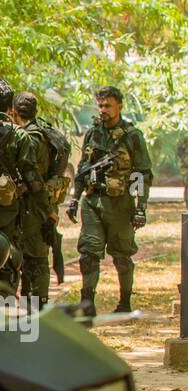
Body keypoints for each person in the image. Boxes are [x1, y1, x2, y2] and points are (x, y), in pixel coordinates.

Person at [67, 85, 153, 313]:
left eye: (108, 105)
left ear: (119, 107)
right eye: (101, 105)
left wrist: (140, 207)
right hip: (93, 201)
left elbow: (142, 172)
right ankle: (87, 305)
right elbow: (83, 169)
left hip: (121, 204)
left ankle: (124, 303)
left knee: (122, 257)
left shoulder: (133, 136)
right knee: (88, 255)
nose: (103, 109)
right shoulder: (93, 133)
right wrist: (75, 199)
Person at [0, 78, 38, 293]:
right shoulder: (20, 135)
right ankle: (5, 302)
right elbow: (32, 178)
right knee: (9, 258)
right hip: (9, 211)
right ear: (11, 106)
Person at [12, 91, 63, 306]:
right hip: (41, 204)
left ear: (14, 113)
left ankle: (35, 312)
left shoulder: (29, 138)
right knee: (35, 259)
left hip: (32, 206)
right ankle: (34, 310)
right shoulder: (45, 134)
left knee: (34, 261)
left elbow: (31, 178)